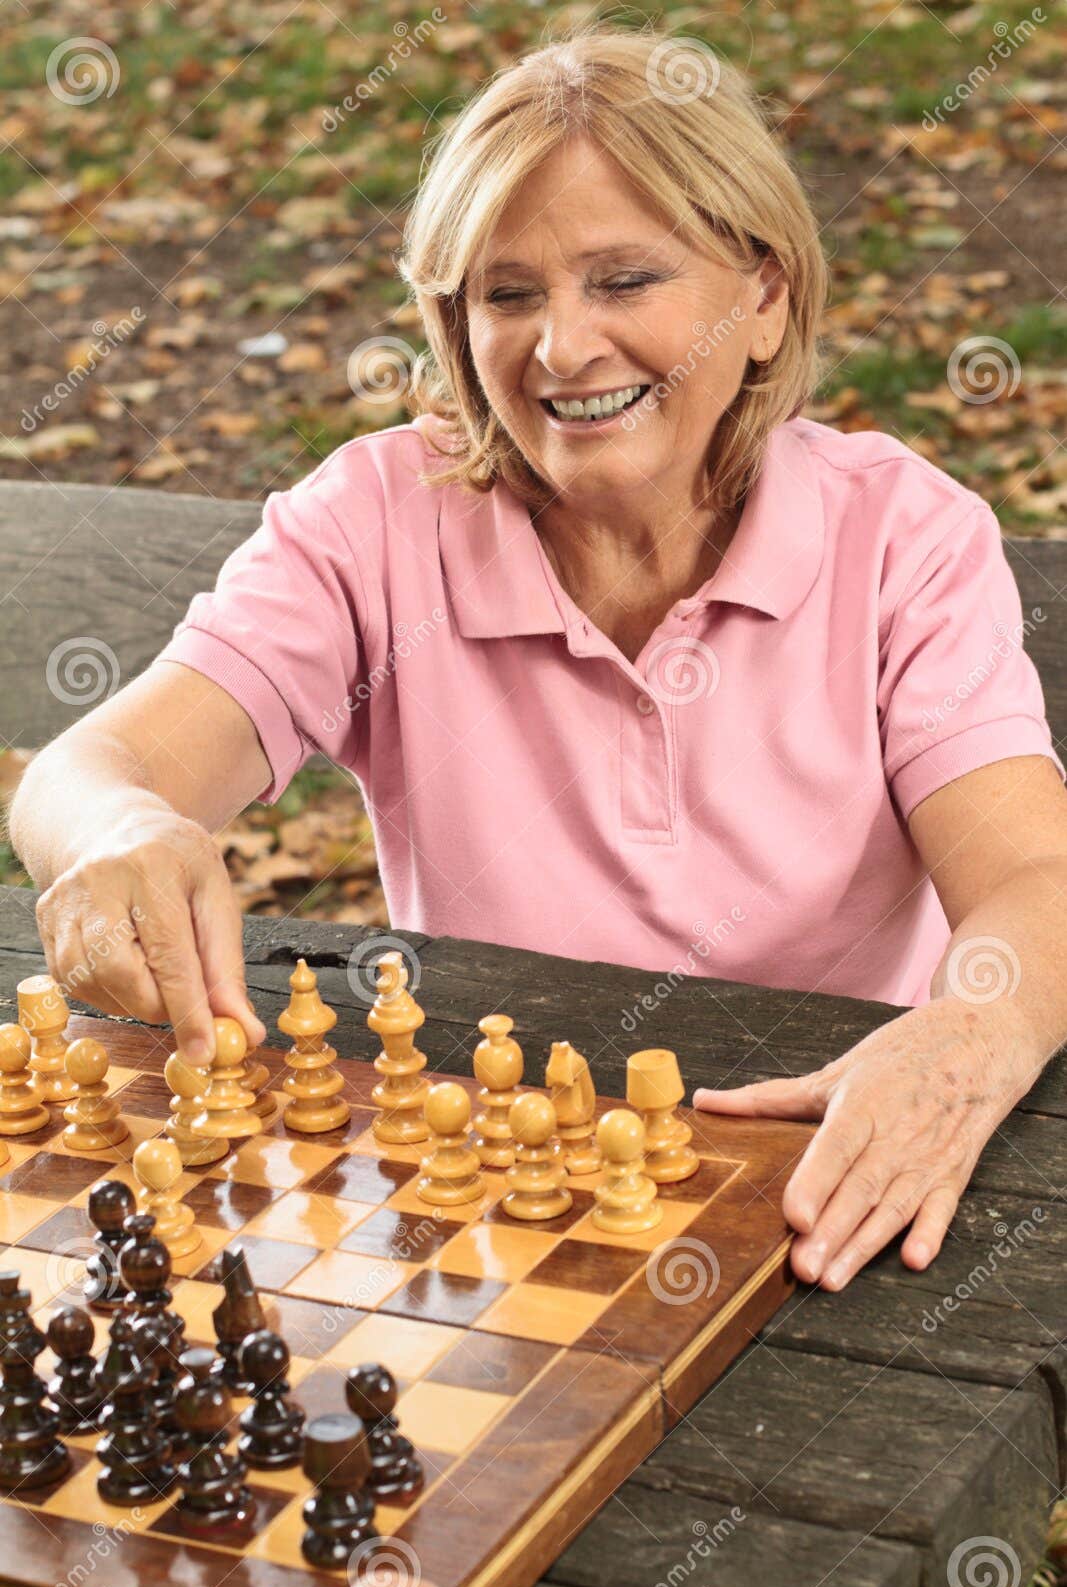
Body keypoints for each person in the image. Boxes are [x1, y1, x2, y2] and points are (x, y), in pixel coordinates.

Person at [11, 25, 1067, 1295]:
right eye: (508, 295)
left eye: (623, 281)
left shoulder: (900, 537)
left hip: (818, 1186)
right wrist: (116, 826)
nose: (561, 350)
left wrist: (964, 1033)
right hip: (493, 1179)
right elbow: (90, 766)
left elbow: (1031, 877)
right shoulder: (378, 519)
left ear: (763, 294)